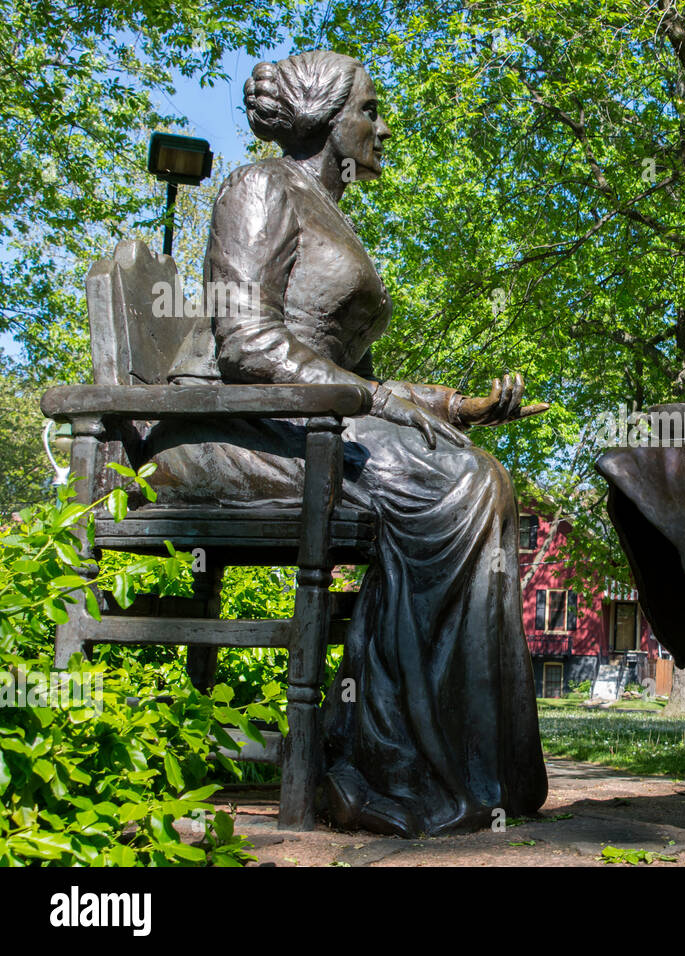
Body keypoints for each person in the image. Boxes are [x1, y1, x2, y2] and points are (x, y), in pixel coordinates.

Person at [148, 50, 548, 836]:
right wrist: (377, 401)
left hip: (305, 419)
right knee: (448, 489)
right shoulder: (258, 187)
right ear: (329, 122)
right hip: (222, 431)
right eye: (369, 111)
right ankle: (385, 764)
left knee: (480, 475)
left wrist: (452, 405)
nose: (382, 126)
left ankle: (454, 760)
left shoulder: (331, 210)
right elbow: (245, 343)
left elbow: (351, 373)